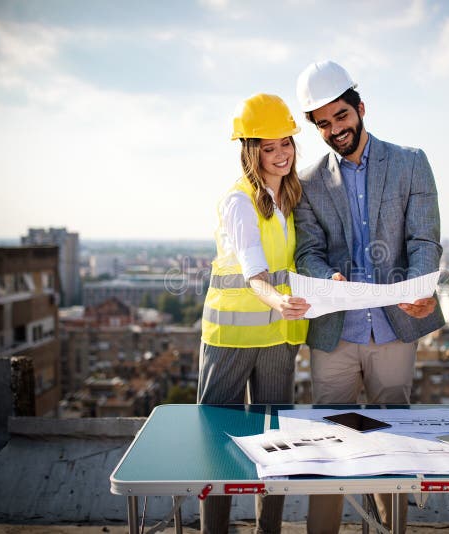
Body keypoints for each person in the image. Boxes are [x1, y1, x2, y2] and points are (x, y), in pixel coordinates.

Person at [293, 60, 445, 534]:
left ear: (361, 108)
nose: (335, 129)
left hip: (394, 329)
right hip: (335, 334)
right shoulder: (307, 182)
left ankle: (387, 529)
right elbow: (308, 251)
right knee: (328, 448)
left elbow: (424, 240)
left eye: (341, 116)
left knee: (391, 446)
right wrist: (327, 280)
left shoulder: (411, 162)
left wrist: (420, 288)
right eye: (323, 123)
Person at [198, 93, 311, 534]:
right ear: (250, 151)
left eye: (286, 143)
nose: (281, 154)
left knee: (276, 444)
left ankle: (269, 530)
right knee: (219, 443)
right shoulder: (240, 201)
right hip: (231, 339)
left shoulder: (292, 196)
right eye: (269, 147)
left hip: (279, 338)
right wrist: (277, 300)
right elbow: (253, 272)